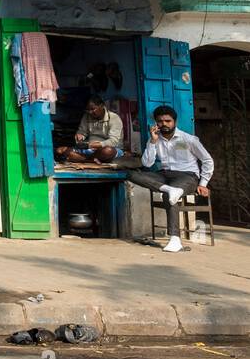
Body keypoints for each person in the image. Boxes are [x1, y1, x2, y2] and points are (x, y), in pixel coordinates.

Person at [124, 105, 214, 253]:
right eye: (160, 121)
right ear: (156, 123)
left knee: (170, 196)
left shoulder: (188, 139)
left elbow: (207, 160)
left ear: (174, 122)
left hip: (187, 176)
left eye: (168, 121)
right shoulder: (154, 139)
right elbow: (147, 163)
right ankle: (170, 189)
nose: (164, 124)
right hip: (164, 175)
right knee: (131, 174)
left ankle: (175, 239)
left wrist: (203, 183)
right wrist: (152, 142)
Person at [56, 95, 124, 164]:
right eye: (88, 110)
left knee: (108, 151)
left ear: (102, 105)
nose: (90, 112)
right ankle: (91, 160)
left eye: (93, 109)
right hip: (90, 149)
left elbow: (113, 141)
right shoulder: (87, 116)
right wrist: (80, 136)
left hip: (108, 149)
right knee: (60, 150)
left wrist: (92, 145)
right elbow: (82, 131)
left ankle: (81, 158)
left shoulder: (114, 118)